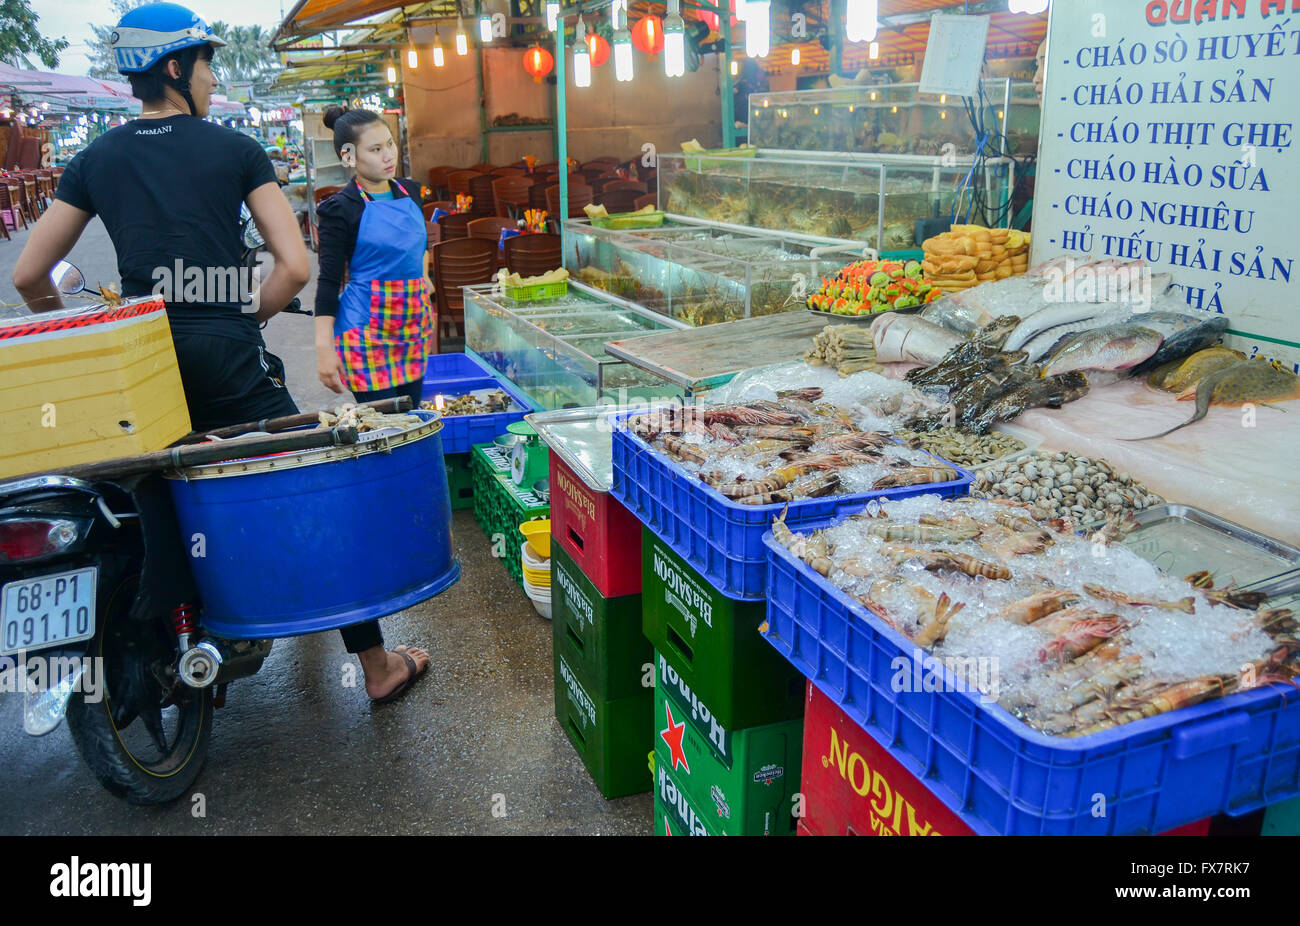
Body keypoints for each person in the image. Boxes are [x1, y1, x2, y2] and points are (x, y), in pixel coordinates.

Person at [11, 1, 428, 704]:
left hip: (140, 362)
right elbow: (293, 267)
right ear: (176, 67)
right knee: (309, 476)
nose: (211, 80)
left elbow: (29, 277)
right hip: (227, 352)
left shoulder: (96, 156)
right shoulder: (234, 149)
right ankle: (379, 668)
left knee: (147, 483)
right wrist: (244, 319)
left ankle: (167, 624)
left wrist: (83, 337)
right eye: (207, 65)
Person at [313, 106, 434, 409]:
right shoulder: (340, 209)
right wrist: (323, 348)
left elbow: (420, 246)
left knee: (412, 421)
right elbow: (328, 283)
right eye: (376, 149)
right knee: (386, 433)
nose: (388, 156)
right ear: (349, 157)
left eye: (390, 144)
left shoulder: (410, 192)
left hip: (411, 331)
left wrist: (424, 277)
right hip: (365, 337)